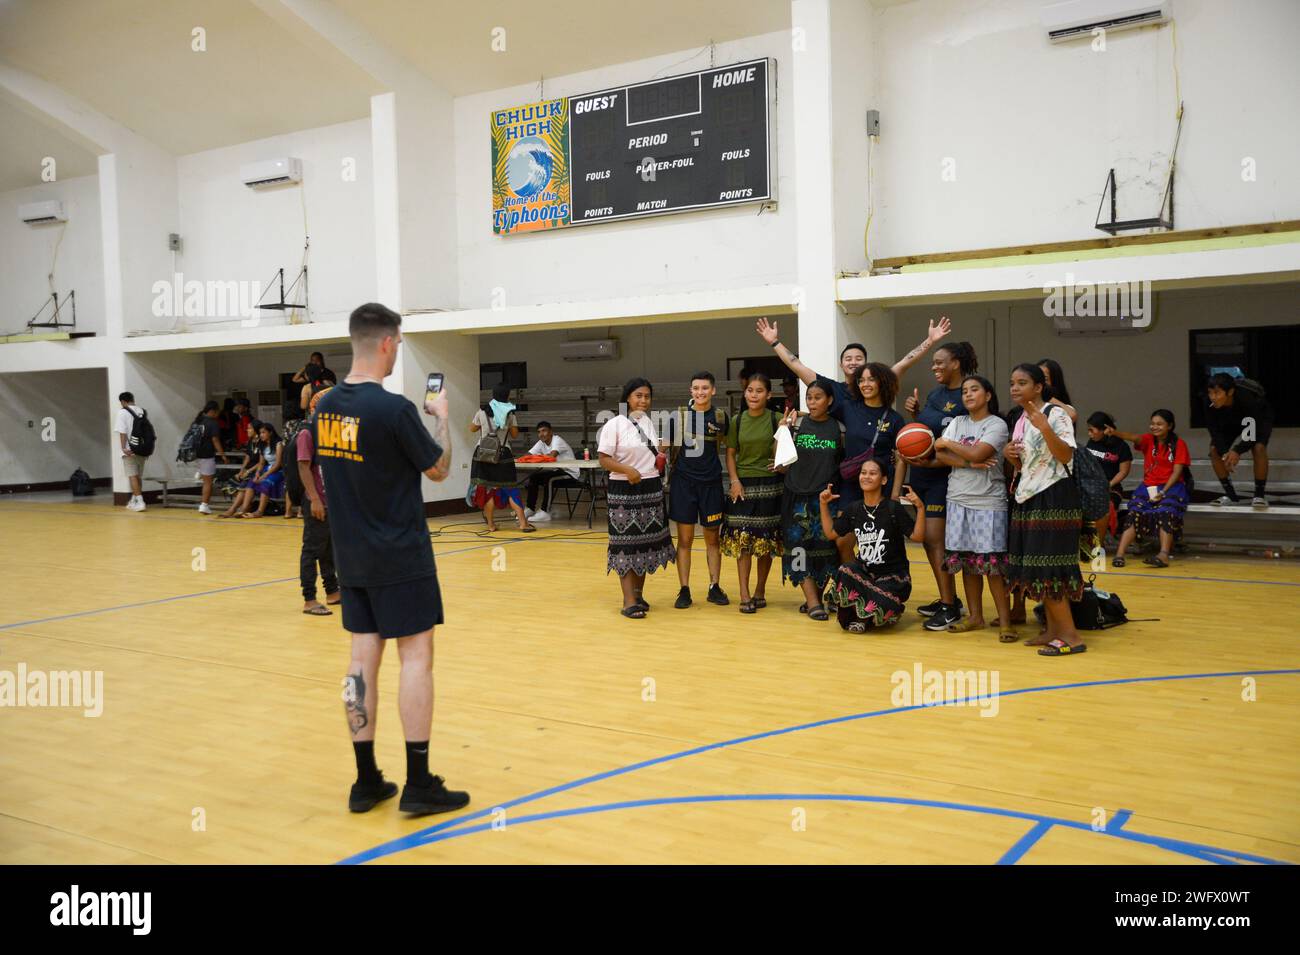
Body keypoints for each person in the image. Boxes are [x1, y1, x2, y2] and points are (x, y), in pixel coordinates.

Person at [314, 302, 467, 816]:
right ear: (385, 343)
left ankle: (365, 781)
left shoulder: (324, 408)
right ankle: (419, 782)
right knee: (416, 659)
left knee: (359, 665)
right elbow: (441, 471)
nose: (399, 350)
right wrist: (442, 421)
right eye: (398, 343)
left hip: (351, 558)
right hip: (401, 555)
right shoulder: (395, 409)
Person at [1003, 363, 1086, 656]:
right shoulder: (1022, 419)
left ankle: (1071, 637)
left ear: (1038, 387)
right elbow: (1027, 464)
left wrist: (1046, 428)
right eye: (1012, 382)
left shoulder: (1056, 414)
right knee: (1037, 566)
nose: (1014, 387)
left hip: (1054, 496)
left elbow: (1064, 455)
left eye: (1022, 382)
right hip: (1028, 496)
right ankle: (1052, 631)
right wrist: (1010, 455)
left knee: (1051, 566)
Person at [900, 341, 980, 631]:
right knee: (927, 540)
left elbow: (966, 443)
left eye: (939, 362)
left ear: (956, 363)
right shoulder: (935, 394)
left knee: (935, 539)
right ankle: (950, 598)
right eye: (932, 363)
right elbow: (926, 435)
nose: (934, 367)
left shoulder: (970, 395)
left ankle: (949, 607)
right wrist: (915, 415)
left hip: (944, 477)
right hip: (922, 475)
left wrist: (934, 462)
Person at [932, 375, 1014, 642]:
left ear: (988, 395)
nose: (967, 394)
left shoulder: (997, 425)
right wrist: (967, 462)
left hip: (989, 502)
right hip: (957, 499)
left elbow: (977, 452)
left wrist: (950, 445)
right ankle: (975, 617)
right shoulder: (958, 422)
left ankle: (1005, 622)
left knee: (992, 566)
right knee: (968, 563)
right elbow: (939, 453)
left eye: (974, 390)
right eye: (965, 391)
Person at [754, 315, 952, 410]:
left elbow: (905, 362)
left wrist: (930, 341)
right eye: (848, 359)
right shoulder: (830, 388)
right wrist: (774, 342)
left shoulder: (876, 384)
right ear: (841, 365)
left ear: (866, 364)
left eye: (859, 359)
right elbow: (795, 364)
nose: (853, 362)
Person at [597, 378, 675, 618]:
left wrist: (661, 450)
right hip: (625, 489)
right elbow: (604, 458)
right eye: (638, 395)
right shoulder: (615, 424)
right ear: (628, 397)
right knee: (625, 545)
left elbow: (648, 454)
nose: (643, 400)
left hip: (650, 487)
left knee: (645, 544)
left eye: (647, 396)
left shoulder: (648, 423)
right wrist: (627, 470)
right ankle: (628, 600)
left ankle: (638, 594)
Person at [820, 460, 926, 633]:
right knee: (845, 570)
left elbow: (917, 536)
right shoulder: (853, 509)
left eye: (872, 473)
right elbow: (831, 533)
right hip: (867, 575)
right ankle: (866, 616)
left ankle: (873, 613)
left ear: (883, 480)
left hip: (893, 579)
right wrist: (824, 505)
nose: (866, 476)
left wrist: (920, 508)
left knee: (883, 600)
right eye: (863, 473)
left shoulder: (893, 508)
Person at [779, 380, 842, 621]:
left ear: (830, 400)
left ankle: (815, 596)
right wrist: (782, 431)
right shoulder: (797, 424)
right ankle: (814, 602)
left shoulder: (839, 428)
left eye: (818, 397)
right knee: (797, 550)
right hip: (795, 495)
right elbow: (781, 463)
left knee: (826, 551)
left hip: (824, 499)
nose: (812, 402)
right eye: (809, 398)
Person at [666, 372, 730, 609]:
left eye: (705, 388)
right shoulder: (678, 416)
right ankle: (684, 589)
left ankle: (714, 586)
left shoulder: (722, 417)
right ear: (690, 391)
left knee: (713, 539)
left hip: (711, 484)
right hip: (684, 485)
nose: (700, 392)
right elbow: (664, 447)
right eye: (696, 388)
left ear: (713, 390)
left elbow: (731, 449)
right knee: (685, 539)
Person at [723, 373, 785, 614]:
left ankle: (760, 590)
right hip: (743, 486)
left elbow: (787, 451)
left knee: (765, 542)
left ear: (768, 395)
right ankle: (744, 593)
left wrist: (780, 461)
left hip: (770, 486)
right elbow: (730, 454)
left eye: (759, 391)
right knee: (744, 542)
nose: (754, 395)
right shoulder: (737, 421)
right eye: (750, 390)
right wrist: (734, 481)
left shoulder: (777, 419)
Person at [1108, 410, 1191, 569]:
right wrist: (1115, 432)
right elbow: (1134, 437)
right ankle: (1120, 554)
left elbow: (1177, 472)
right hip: (1148, 487)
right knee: (1135, 513)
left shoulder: (1179, 444)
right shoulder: (1148, 440)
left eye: (1159, 424)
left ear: (1170, 426)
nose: (1154, 427)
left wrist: (1163, 492)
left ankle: (1164, 555)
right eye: (1152, 423)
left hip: (1172, 487)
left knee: (1166, 511)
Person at [823, 361, 905, 505]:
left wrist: (895, 494)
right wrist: (797, 414)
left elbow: (900, 460)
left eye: (871, 379)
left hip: (881, 485)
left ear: (883, 382)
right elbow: (822, 416)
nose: (865, 384)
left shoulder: (895, 419)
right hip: (851, 482)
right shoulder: (848, 407)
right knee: (846, 525)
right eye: (861, 380)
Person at [297, 387, 339, 616]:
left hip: (332, 500)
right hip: (316, 500)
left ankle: (332, 592)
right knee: (312, 549)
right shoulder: (307, 433)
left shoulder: (331, 431)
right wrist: (314, 499)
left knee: (329, 549)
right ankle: (309, 598)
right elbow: (303, 466)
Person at [469, 384, 533, 532]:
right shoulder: (510, 413)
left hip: (483, 454)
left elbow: (472, 428)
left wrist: (484, 426)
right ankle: (523, 523)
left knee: (488, 490)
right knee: (511, 488)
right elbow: (515, 434)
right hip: (503, 454)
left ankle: (491, 525)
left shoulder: (482, 411)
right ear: (507, 396)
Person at [1205, 372, 1273, 508]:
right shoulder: (1209, 404)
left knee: (1258, 447)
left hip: (1257, 419)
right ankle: (1230, 495)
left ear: (1230, 392)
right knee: (1214, 450)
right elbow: (1214, 431)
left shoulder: (1247, 400)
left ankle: (1259, 495)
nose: (1213, 397)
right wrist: (1224, 452)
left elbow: (1252, 433)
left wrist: (1237, 451)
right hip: (1230, 420)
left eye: (1217, 393)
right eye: (1210, 393)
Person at [1084, 411, 1132, 545]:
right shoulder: (1091, 443)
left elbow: (1123, 472)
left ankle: (1099, 540)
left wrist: (1108, 485)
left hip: (1111, 488)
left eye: (1092, 430)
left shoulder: (1121, 447)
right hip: (1091, 487)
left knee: (1106, 506)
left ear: (1104, 430)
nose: (1089, 434)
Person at [522, 421, 580, 522]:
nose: (541, 434)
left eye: (544, 431)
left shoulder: (557, 440)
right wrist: (525, 458)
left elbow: (552, 456)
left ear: (551, 432)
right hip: (558, 471)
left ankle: (545, 512)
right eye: (539, 432)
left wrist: (536, 457)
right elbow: (528, 455)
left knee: (549, 480)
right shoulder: (541, 443)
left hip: (570, 473)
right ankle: (530, 508)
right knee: (534, 477)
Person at [217, 422, 263, 518]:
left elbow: (262, 462)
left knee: (245, 484)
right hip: (248, 470)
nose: (247, 430)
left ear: (256, 430)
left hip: (258, 470)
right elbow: (247, 457)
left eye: (250, 428)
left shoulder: (262, 442)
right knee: (231, 483)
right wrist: (241, 470)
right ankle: (244, 506)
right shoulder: (251, 441)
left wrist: (248, 471)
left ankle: (234, 509)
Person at [241, 422, 285, 519]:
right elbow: (261, 463)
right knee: (251, 483)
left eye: (263, 432)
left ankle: (259, 511)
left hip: (279, 471)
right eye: (260, 433)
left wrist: (263, 476)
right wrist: (257, 474)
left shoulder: (278, 444)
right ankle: (243, 509)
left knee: (265, 483)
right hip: (267, 468)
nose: (261, 435)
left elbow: (277, 464)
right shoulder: (262, 445)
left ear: (271, 433)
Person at [115, 391, 150, 512]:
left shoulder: (122, 412)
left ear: (123, 402)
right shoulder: (141, 411)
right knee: (138, 476)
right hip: (142, 448)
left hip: (130, 449)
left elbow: (122, 431)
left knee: (132, 476)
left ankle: (140, 502)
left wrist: (123, 448)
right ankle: (134, 500)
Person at [193, 401, 228, 515]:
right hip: (207, 455)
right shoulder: (212, 423)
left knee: (205, 479)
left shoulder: (199, 420)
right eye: (217, 412)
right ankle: (204, 505)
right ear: (213, 411)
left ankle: (199, 471)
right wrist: (222, 455)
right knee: (208, 482)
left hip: (197, 454)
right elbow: (215, 440)